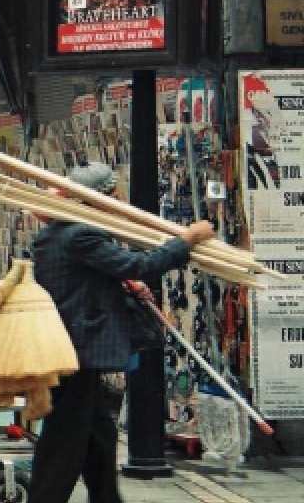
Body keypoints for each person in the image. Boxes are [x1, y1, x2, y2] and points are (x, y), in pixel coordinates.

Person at [30, 164, 214, 503]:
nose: (121, 200)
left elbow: (86, 281)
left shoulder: (59, 232)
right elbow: (138, 264)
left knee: (99, 432)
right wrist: (186, 240)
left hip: (70, 345)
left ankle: (106, 498)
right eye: (117, 194)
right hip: (78, 349)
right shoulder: (80, 234)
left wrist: (125, 286)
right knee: (64, 438)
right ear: (102, 197)